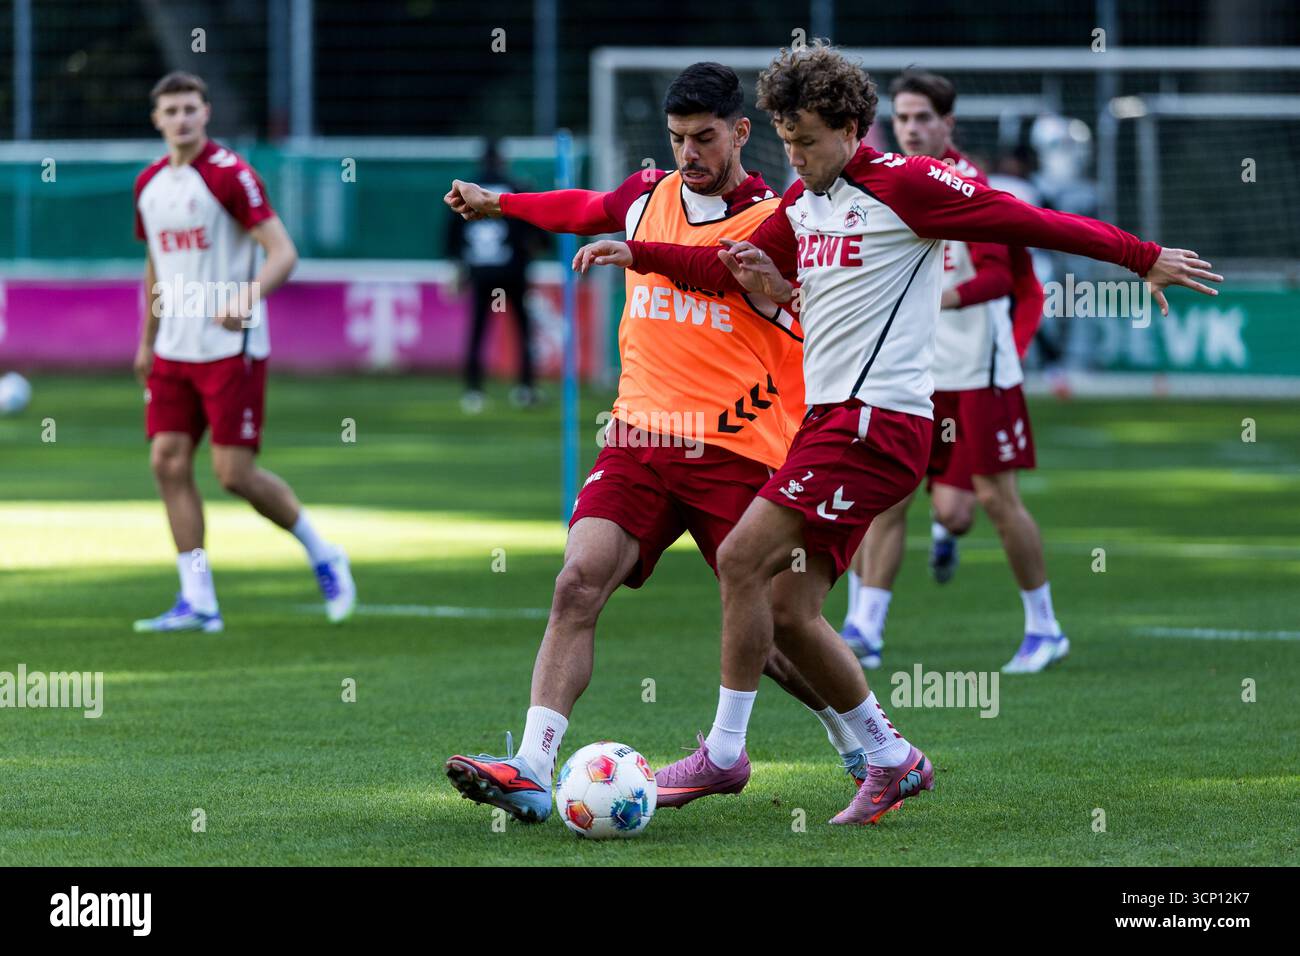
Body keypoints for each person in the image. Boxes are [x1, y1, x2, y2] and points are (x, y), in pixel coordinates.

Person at [574, 42, 1220, 824]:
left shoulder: (909, 188)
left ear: (853, 128)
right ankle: (890, 759)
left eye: (809, 140)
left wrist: (1141, 256)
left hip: (877, 423)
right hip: (828, 424)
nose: (797, 157)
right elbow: (721, 269)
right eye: (786, 140)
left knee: (741, 557)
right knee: (789, 610)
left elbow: (1029, 222)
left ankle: (723, 753)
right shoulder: (803, 205)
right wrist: (638, 250)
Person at [442, 63, 872, 825]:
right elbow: (582, 207)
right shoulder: (647, 197)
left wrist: (638, 255)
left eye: (704, 138)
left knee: (774, 638)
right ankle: (533, 769)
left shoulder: (782, 221)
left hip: (736, 449)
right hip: (638, 437)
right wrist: (498, 202)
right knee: (576, 584)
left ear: (742, 132)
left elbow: (732, 282)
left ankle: (861, 744)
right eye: (677, 139)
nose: (688, 154)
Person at [842, 70, 1064, 674]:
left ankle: (1045, 628)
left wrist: (934, 297)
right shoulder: (889, 182)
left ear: (948, 125)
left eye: (924, 119)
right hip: (914, 372)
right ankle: (865, 627)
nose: (912, 129)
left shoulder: (969, 185)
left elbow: (999, 277)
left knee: (985, 501)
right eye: (904, 118)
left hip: (979, 372)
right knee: (887, 496)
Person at [132, 71, 355, 633]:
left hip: (231, 347)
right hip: (173, 349)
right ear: (157, 119)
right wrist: (146, 338)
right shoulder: (149, 186)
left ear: (206, 112)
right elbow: (156, 265)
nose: (181, 119)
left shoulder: (232, 176)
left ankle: (322, 551)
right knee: (167, 461)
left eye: (190, 108)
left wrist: (246, 297)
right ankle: (198, 598)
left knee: (233, 474)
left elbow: (283, 252)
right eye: (171, 111)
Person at [445, 139, 543, 414]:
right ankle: (525, 388)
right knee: (522, 329)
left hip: (479, 271)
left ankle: (474, 390)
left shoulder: (466, 189)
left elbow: (452, 234)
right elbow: (534, 228)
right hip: (512, 269)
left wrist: (456, 266)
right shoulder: (515, 187)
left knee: (477, 330)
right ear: (501, 160)